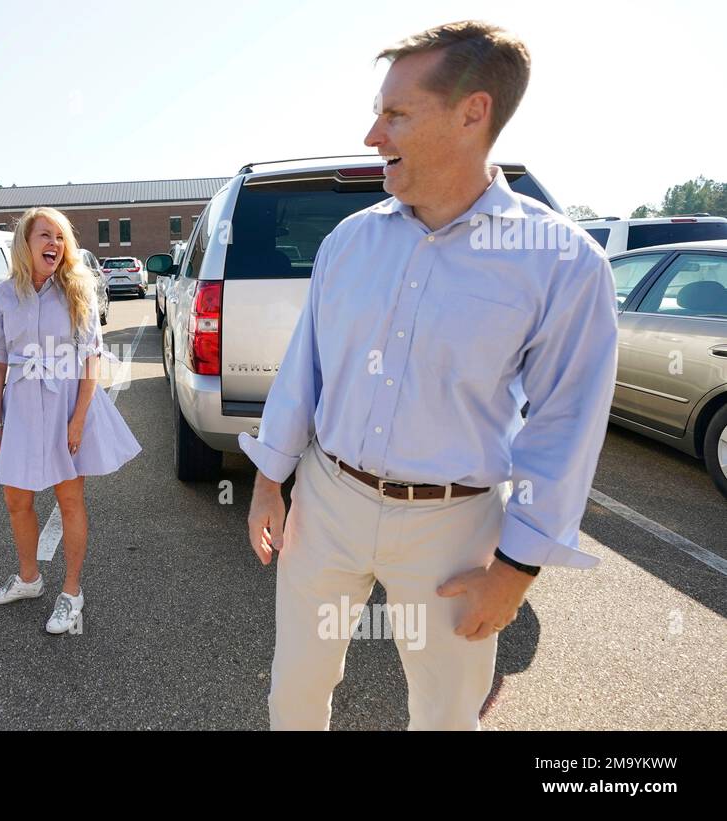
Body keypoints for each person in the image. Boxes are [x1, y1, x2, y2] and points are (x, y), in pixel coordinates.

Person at [240, 21, 618, 729]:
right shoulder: (350, 243)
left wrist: (514, 571)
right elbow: (304, 373)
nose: (372, 134)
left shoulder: (561, 263)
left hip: (454, 523)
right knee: (294, 692)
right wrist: (269, 481)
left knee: (447, 715)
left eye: (396, 114)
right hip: (327, 501)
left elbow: (564, 429)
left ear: (473, 112)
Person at [0, 207, 141, 634]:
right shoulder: (3, 296)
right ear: (25, 244)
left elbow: (91, 361)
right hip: (20, 405)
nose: (54, 244)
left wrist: (78, 420)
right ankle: (29, 578)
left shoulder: (78, 289)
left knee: (69, 500)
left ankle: (71, 593)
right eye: (44, 236)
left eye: (60, 237)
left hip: (67, 402)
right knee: (17, 500)